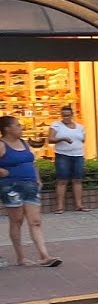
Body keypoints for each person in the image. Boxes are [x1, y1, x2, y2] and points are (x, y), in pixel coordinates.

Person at [0, 116, 59, 267]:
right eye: (17, 125)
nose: (21, 128)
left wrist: (37, 179)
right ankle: (21, 257)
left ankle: (44, 255)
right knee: (17, 220)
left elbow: (32, 162)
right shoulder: (2, 145)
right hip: (11, 186)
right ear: (7, 129)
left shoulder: (24, 143)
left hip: (30, 184)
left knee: (35, 220)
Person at [48, 105, 86, 213]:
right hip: (63, 155)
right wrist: (62, 139)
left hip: (78, 155)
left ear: (72, 115)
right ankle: (60, 207)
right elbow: (50, 139)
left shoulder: (80, 127)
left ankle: (79, 205)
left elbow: (83, 140)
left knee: (77, 180)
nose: (65, 118)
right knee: (62, 180)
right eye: (63, 115)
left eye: (68, 115)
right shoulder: (56, 125)